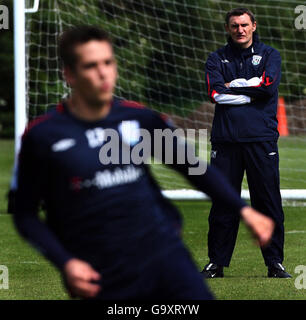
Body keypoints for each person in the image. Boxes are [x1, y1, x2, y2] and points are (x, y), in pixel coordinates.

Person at [14, 25, 274, 300]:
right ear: (69, 75)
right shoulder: (43, 136)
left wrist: (244, 211)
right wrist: (65, 262)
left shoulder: (138, 119)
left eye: (108, 62)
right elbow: (25, 214)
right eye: (91, 66)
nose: (103, 74)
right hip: (102, 272)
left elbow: (193, 168)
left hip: (166, 256)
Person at [202, 8, 291, 279]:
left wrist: (236, 86)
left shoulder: (270, 55)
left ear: (254, 26)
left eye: (244, 24)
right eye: (234, 26)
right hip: (225, 141)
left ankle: (274, 263)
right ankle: (216, 264)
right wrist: (251, 89)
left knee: (267, 202)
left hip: (261, 140)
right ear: (228, 29)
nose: (239, 30)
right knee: (223, 202)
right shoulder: (216, 57)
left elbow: (267, 86)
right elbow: (215, 93)